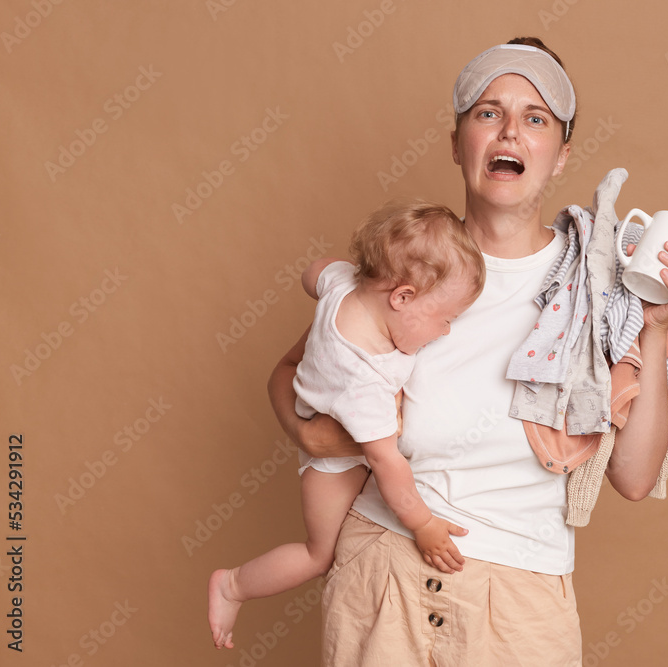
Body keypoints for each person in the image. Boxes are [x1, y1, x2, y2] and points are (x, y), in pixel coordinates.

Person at [267, 38, 668, 666]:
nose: (510, 132)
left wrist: (656, 331)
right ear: (457, 143)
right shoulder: (410, 263)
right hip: (383, 580)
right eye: (488, 112)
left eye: (536, 118)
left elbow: (634, 478)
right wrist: (309, 434)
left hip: (520, 606)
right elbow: (291, 373)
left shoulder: (602, 288)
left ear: (562, 153)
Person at [208, 200, 486, 649]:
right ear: (402, 298)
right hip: (331, 465)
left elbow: (314, 272)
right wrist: (423, 524)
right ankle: (233, 585)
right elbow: (387, 463)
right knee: (318, 555)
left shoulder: (344, 284)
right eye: (445, 319)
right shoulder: (363, 381)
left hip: (324, 416)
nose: (446, 331)